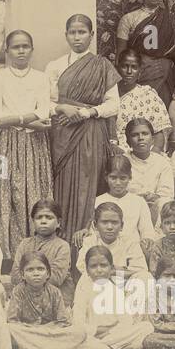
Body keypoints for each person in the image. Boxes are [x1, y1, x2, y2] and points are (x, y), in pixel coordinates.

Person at [46, 14, 119, 241]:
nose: (77, 37)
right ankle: (62, 244)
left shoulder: (102, 65)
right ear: (66, 35)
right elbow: (45, 103)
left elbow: (114, 104)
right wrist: (62, 109)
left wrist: (88, 112)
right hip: (62, 134)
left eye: (82, 32)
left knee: (87, 186)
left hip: (90, 133)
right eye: (72, 32)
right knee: (63, 186)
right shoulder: (55, 66)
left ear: (91, 35)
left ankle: (84, 245)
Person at [0, 29, 53, 256]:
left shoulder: (41, 77)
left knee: (34, 190)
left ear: (32, 50)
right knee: (2, 189)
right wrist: (29, 120)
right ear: (7, 51)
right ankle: (6, 254)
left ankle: (36, 252)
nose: (21, 50)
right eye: (16, 47)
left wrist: (16, 119)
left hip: (34, 144)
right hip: (2, 145)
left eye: (25, 46)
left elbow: (44, 110)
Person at [5, 249, 86, 349]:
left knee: (79, 332)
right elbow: (12, 321)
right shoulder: (18, 291)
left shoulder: (54, 292)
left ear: (48, 273)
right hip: (28, 333)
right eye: (30, 270)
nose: (36, 273)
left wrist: (46, 329)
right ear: (22, 274)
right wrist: (33, 329)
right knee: (9, 330)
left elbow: (63, 321)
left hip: (49, 333)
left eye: (40, 269)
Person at [115, 0, 175, 107]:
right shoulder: (128, 19)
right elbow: (120, 56)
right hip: (138, 74)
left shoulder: (172, 20)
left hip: (165, 74)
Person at [69, 246, 151, 349]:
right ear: (87, 270)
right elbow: (78, 322)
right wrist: (96, 330)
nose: (99, 270)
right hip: (91, 336)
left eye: (103, 265)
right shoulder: (84, 290)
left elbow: (126, 321)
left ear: (111, 268)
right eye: (93, 266)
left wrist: (110, 332)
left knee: (146, 327)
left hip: (112, 336)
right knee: (75, 341)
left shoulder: (115, 291)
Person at [11, 200, 75, 303]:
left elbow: (56, 278)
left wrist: (29, 281)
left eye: (49, 217)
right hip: (26, 296)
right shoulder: (25, 244)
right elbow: (15, 274)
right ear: (33, 222)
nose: (43, 221)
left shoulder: (62, 246)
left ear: (58, 222)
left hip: (55, 297)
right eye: (39, 217)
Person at [114, 47, 171, 154]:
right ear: (117, 68)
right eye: (125, 66)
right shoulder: (109, 95)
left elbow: (160, 132)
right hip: (116, 151)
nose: (129, 71)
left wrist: (152, 157)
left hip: (145, 153)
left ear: (140, 71)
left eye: (134, 67)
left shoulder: (148, 95)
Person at [95, 155, 157, 247]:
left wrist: (147, 239)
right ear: (106, 177)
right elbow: (94, 231)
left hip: (132, 250)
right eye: (113, 178)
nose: (118, 183)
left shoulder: (138, 202)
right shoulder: (98, 201)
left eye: (123, 178)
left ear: (130, 177)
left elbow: (147, 230)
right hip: (105, 250)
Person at [123, 118, 174, 222]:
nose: (141, 138)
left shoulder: (162, 162)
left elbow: (167, 193)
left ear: (152, 139)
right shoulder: (122, 162)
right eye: (135, 135)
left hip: (155, 207)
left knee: (165, 204)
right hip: (129, 207)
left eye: (145, 134)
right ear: (128, 140)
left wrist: (154, 197)